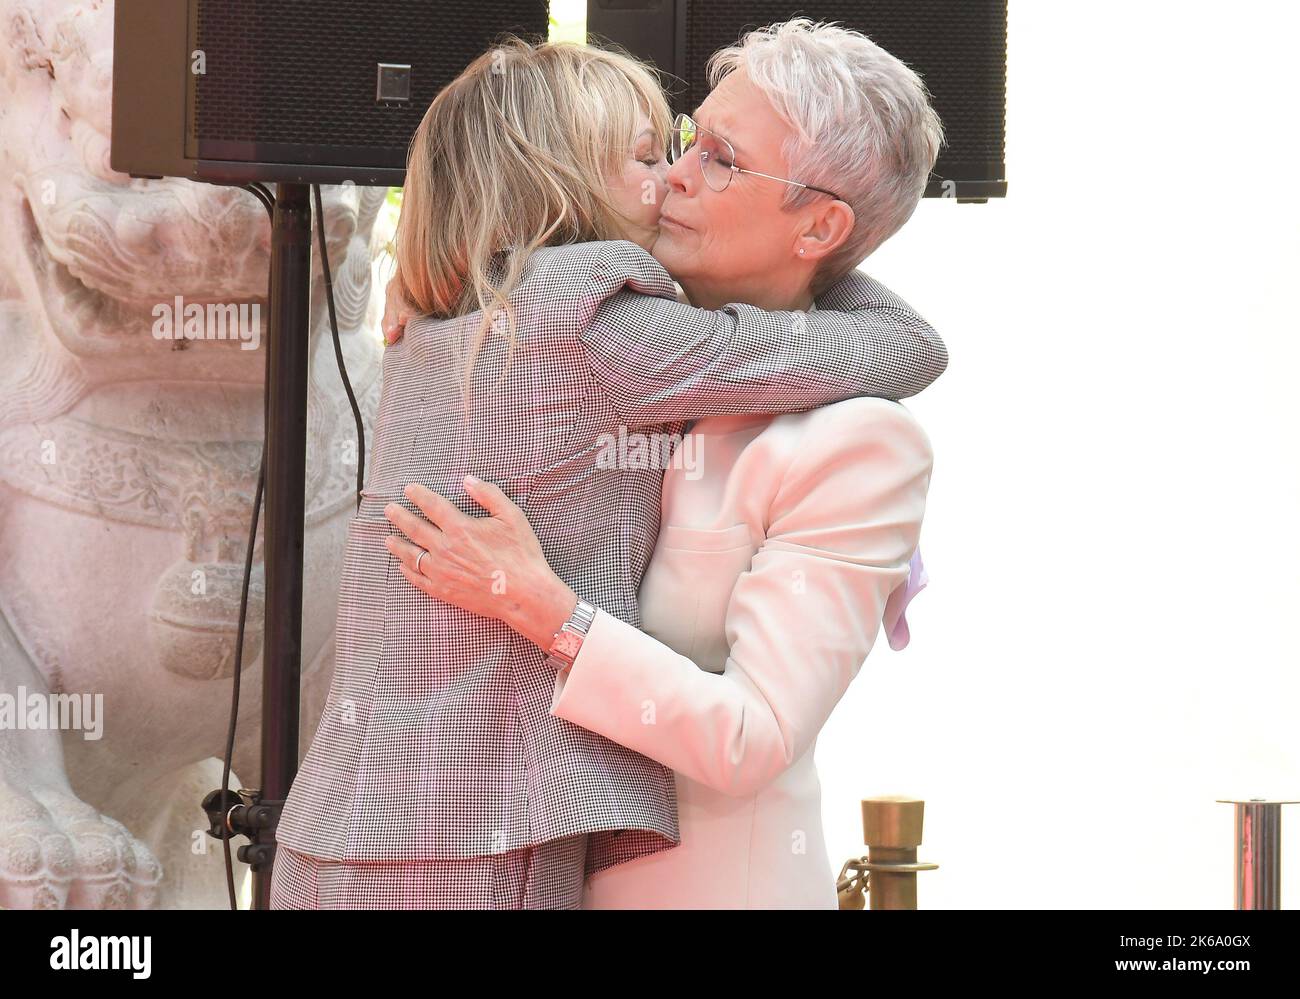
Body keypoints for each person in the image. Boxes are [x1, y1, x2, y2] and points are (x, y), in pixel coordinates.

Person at [272, 29, 945, 910]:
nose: (674, 177)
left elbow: (752, 736)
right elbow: (896, 341)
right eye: (677, 142)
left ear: (819, 222)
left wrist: (547, 609)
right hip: (470, 851)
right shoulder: (590, 330)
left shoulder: (853, 440)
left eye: (721, 159)